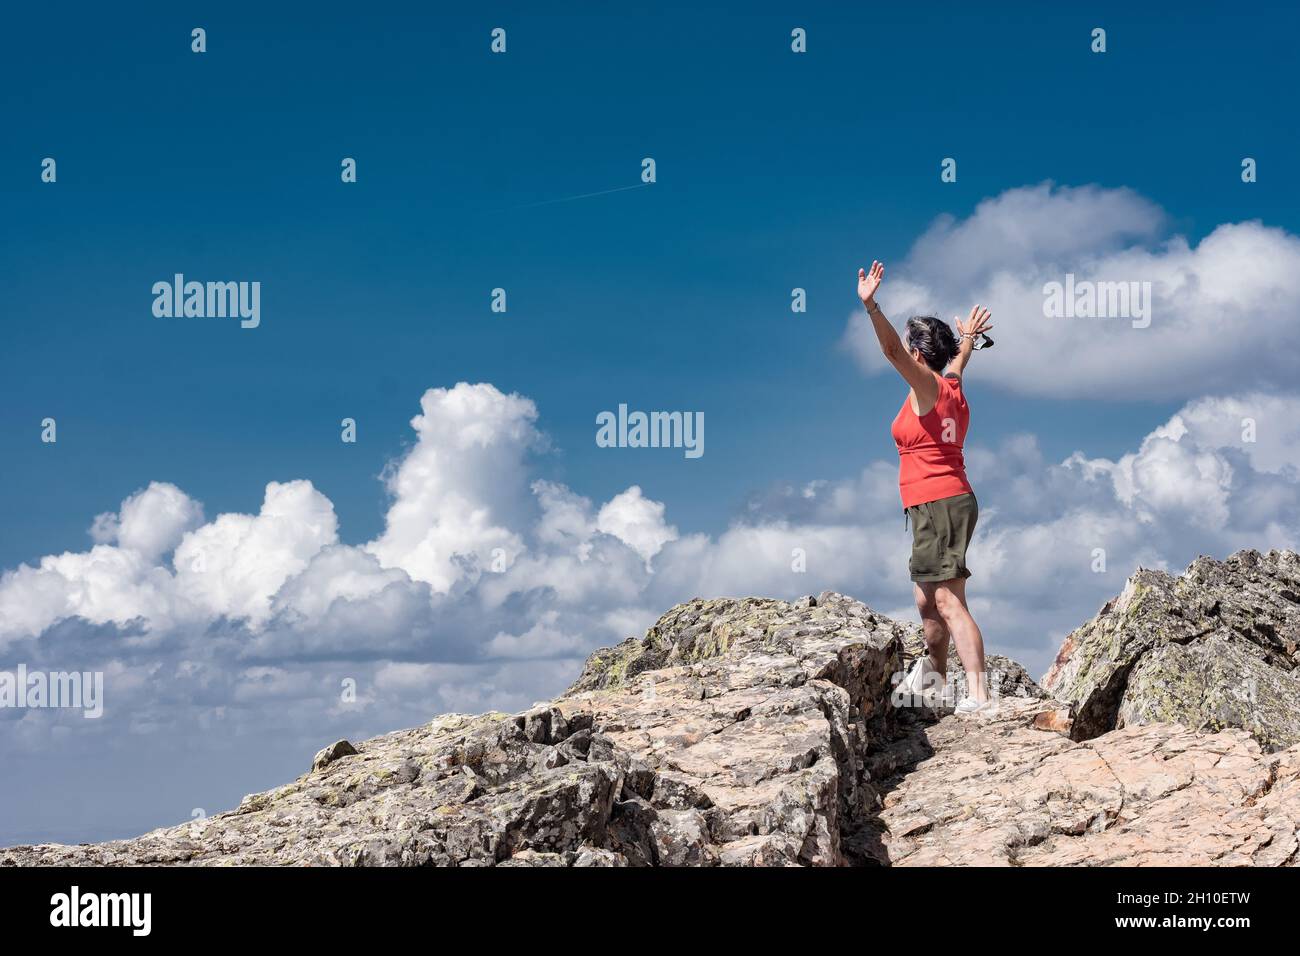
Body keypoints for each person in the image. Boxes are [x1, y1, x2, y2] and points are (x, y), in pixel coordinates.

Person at [856, 260, 995, 715]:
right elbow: (958, 362)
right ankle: (934, 679)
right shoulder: (950, 385)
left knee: (948, 601)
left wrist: (872, 307)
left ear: (919, 355)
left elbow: (892, 352)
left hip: (938, 502)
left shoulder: (925, 386)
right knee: (926, 598)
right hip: (943, 501)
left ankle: (979, 698)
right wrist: (970, 339)